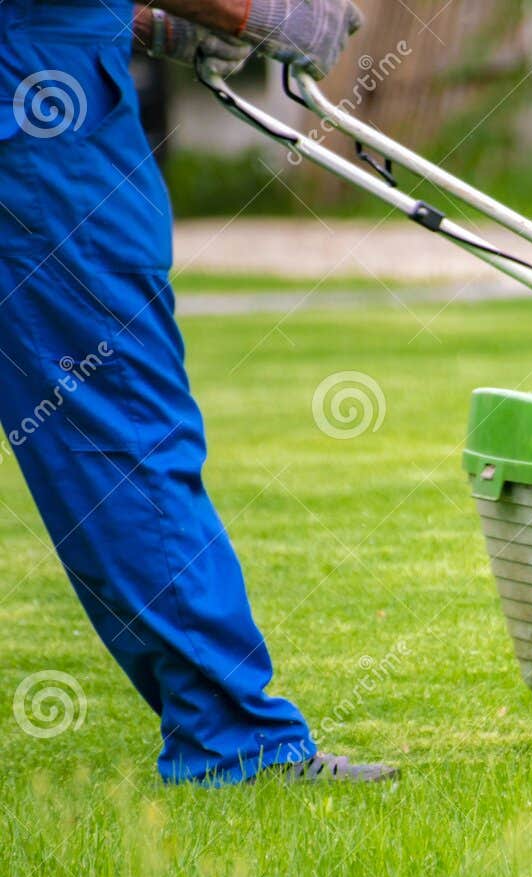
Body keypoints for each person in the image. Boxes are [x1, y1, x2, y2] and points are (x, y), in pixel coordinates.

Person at [0, 0, 395, 783]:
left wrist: (142, 21)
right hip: (39, 117)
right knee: (121, 426)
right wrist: (257, 12)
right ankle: (233, 741)